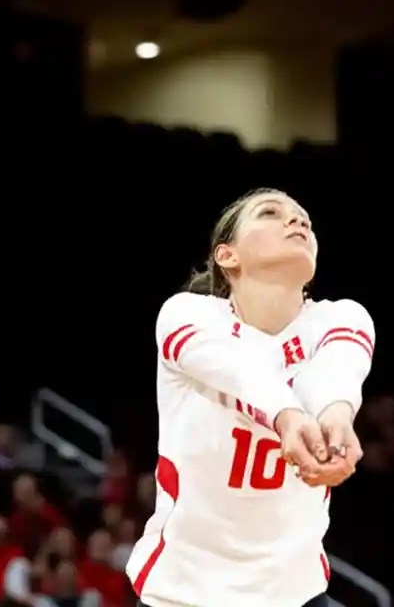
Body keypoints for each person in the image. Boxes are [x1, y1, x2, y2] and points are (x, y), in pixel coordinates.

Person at [127, 188, 375, 607]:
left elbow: (334, 372)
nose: (297, 222)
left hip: (296, 595)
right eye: (270, 213)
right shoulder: (187, 315)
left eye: (303, 219)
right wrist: (287, 417)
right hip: (184, 594)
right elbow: (238, 373)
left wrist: (337, 416)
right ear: (227, 256)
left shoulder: (342, 317)